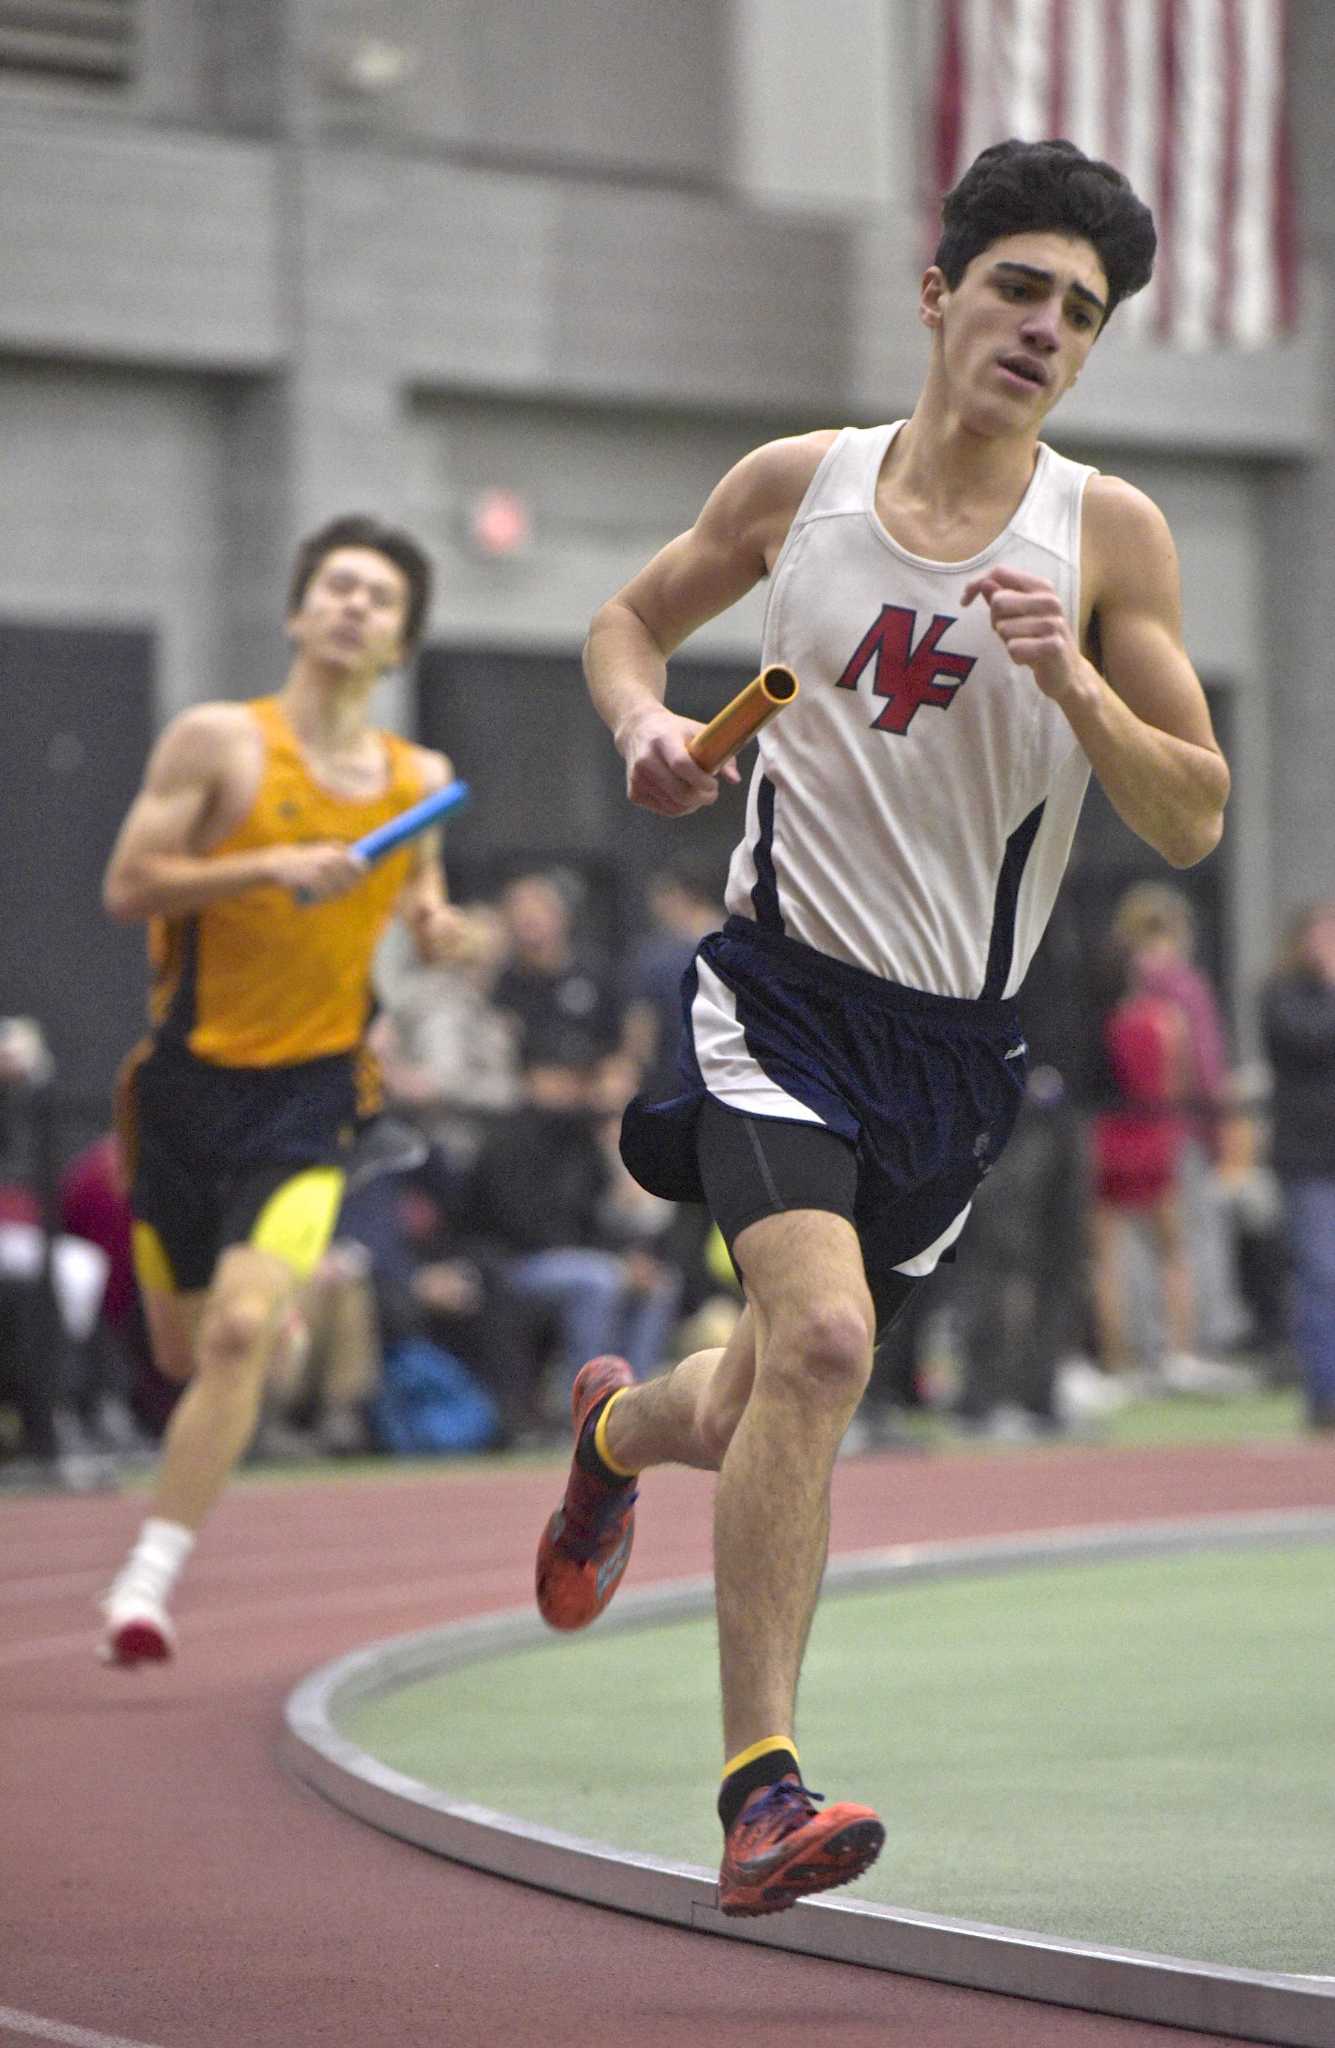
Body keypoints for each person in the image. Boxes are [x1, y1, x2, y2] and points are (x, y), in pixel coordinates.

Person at [532, 138, 1230, 1917]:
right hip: (779, 997)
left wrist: (1075, 680)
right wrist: (643, 727)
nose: (1046, 328)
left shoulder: (1108, 535)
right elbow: (628, 619)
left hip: (959, 1054)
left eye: (1081, 312)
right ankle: (762, 1786)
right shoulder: (801, 487)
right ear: (939, 294)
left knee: (767, 1388)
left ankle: (614, 1438)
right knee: (827, 1345)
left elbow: (1194, 814)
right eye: (1019, 287)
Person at [97, 513, 479, 1665]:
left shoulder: (421, 779)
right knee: (180, 1348)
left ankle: (147, 1580)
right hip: (182, 1086)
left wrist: (445, 931)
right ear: (297, 613)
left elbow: (422, 905)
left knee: (241, 1335)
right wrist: (268, 865)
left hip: (314, 1092)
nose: (355, 604)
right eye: (338, 586)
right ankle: (271, 1300)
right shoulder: (221, 742)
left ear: (399, 642)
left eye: (379, 597)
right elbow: (129, 884)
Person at [1261, 900, 1335, 1432]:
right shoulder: (1280, 994)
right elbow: (1307, 1041)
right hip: (1308, 1157)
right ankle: (1323, 1395)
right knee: (1321, 1274)